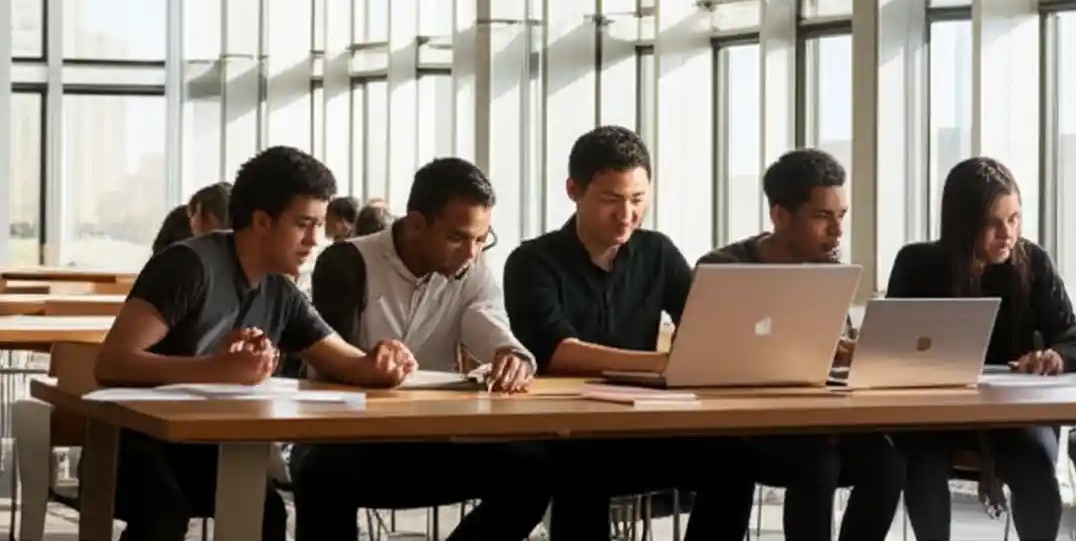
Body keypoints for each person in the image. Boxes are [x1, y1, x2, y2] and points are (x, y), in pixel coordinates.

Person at [94, 146, 419, 541]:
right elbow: (112, 363)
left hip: (206, 446)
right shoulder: (187, 266)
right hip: (131, 445)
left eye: (320, 224)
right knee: (164, 514)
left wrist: (385, 362)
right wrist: (215, 371)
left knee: (266, 512)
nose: (316, 239)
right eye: (304, 224)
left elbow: (349, 363)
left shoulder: (281, 289)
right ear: (263, 221)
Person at [504, 125, 750, 540]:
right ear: (573, 190)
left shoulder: (658, 252)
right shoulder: (532, 261)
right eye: (610, 200)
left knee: (734, 458)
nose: (626, 215)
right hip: (566, 430)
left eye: (638, 199)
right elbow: (556, 352)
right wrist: (662, 363)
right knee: (575, 470)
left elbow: (705, 323)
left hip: (644, 424)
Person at [295, 158, 549, 540]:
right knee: (320, 473)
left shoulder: (472, 271)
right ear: (416, 224)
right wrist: (368, 364)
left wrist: (511, 356)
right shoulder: (348, 262)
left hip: (435, 438)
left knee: (534, 467)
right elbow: (328, 367)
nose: (471, 253)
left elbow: (489, 325)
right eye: (458, 238)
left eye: (481, 239)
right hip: (351, 440)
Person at [698, 149, 904, 541]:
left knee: (888, 461)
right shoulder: (725, 269)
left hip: (820, 417)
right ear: (780, 216)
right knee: (817, 460)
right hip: (747, 426)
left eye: (841, 216)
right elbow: (715, 361)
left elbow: (827, 357)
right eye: (821, 217)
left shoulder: (830, 272)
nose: (837, 231)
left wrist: (852, 353)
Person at [887, 156, 1076, 541]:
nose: (1007, 234)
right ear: (964, 225)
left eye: (1014, 219)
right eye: (994, 223)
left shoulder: (1032, 262)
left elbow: (1075, 340)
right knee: (921, 461)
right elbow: (893, 344)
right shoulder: (917, 264)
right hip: (933, 409)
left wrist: (1054, 356)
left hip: (1011, 412)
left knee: (1035, 461)